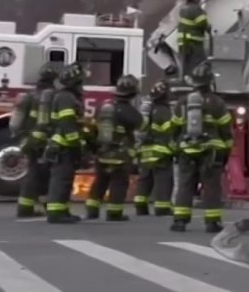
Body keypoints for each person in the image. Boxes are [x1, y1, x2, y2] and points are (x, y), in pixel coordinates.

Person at [170, 62, 232, 233]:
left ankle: (180, 221)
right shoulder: (217, 102)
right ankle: (212, 223)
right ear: (210, 81)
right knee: (211, 186)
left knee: (185, 184)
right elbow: (226, 131)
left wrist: (178, 147)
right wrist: (225, 152)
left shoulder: (182, 103)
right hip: (211, 151)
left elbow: (174, 128)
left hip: (186, 150)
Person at [85, 75, 143, 221]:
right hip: (120, 155)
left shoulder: (103, 107)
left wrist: (94, 148)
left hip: (102, 152)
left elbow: (93, 128)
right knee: (118, 182)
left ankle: (92, 210)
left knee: (100, 181)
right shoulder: (129, 111)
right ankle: (114, 212)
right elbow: (142, 125)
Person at [12, 61, 60, 218]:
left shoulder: (31, 94)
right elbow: (51, 121)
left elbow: (19, 121)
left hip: (28, 138)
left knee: (33, 171)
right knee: (44, 173)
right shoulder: (51, 96)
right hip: (42, 138)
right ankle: (37, 207)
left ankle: (26, 207)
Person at [43, 63, 88, 224]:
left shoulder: (69, 97)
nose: (83, 86)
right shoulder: (65, 98)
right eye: (80, 82)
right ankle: (55, 213)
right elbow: (67, 123)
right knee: (61, 180)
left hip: (66, 146)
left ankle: (62, 210)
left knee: (66, 180)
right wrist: (75, 143)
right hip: (63, 146)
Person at [134, 80, 178, 217]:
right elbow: (168, 131)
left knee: (145, 179)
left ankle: (140, 206)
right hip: (161, 151)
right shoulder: (163, 111)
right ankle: (162, 207)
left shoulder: (149, 109)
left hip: (145, 150)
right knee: (163, 179)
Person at [177, 0, 211, 75]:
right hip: (194, 45)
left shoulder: (182, 9)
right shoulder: (196, 10)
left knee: (187, 67)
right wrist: (203, 12)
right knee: (200, 66)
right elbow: (203, 24)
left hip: (183, 45)